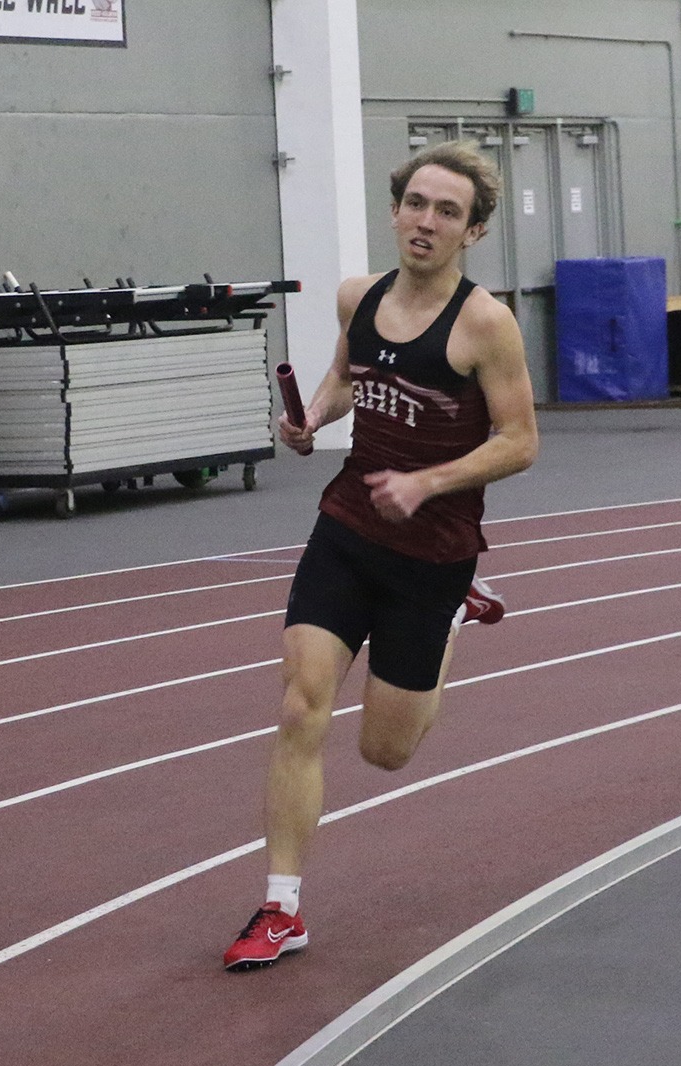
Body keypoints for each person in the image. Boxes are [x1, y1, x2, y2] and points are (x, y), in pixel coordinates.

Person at [224, 141, 540, 972]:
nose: (426, 222)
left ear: (472, 231)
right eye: (416, 204)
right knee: (301, 705)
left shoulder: (486, 324)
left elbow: (520, 441)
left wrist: (431, 482)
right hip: (348, 527)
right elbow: (344, 382)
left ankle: (449, 629)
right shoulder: (357, 298)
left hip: (432, 555)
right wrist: (309, 421)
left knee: (385, 752)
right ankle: (280, 906)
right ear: (395, 209)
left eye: (447, 212)